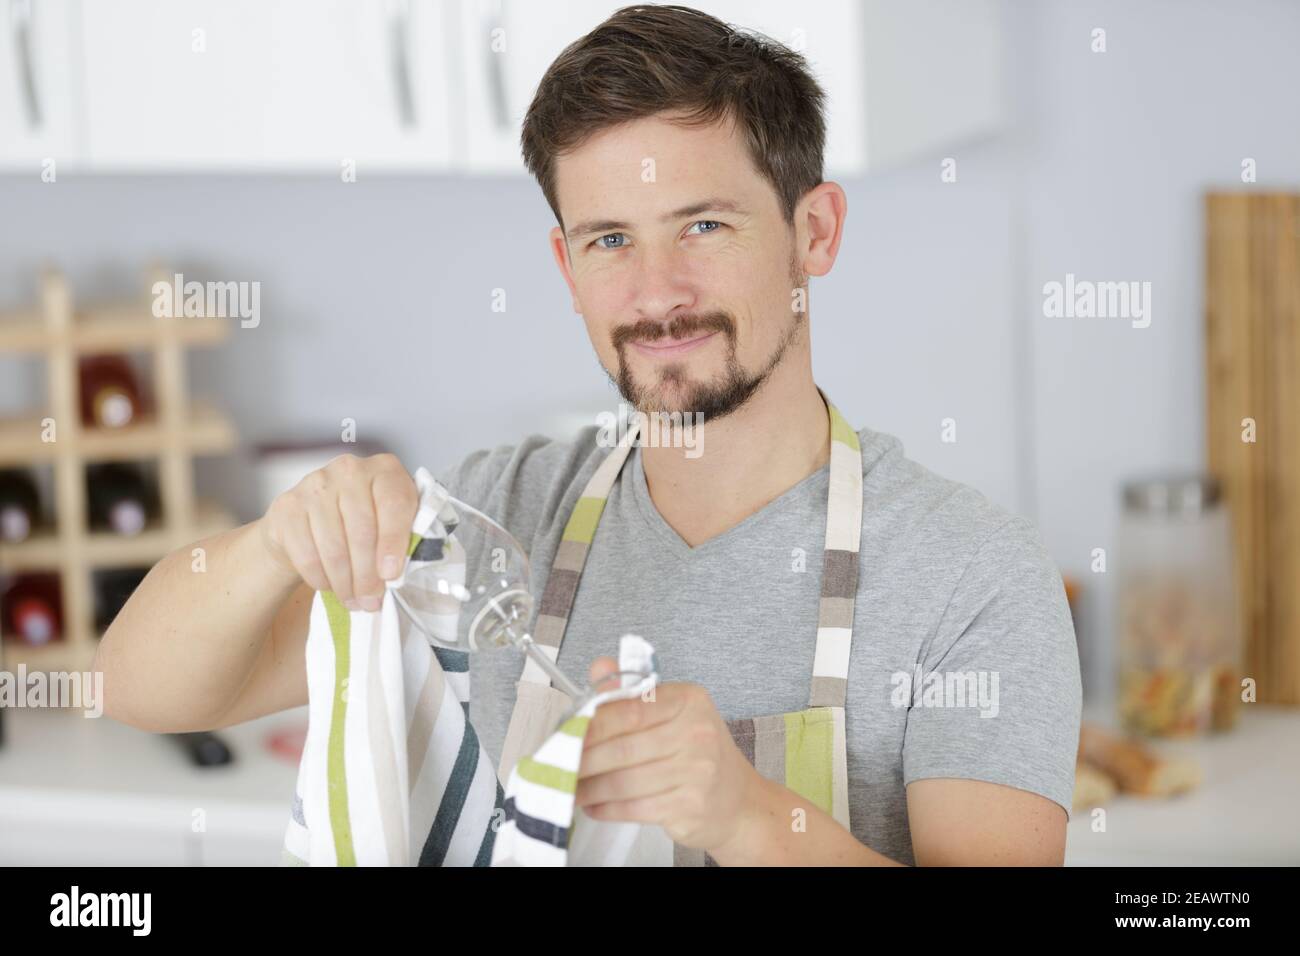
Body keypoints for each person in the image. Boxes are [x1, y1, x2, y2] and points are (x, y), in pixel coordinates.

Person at [97, 4, 1080, 866]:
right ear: (567, 268)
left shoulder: (969, 577)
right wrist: (277, 540)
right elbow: (137, 687)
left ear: (813, 232)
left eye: (703, 225)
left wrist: (749, 817)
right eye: (610, 239)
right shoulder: (493, 523)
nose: (656, 292)